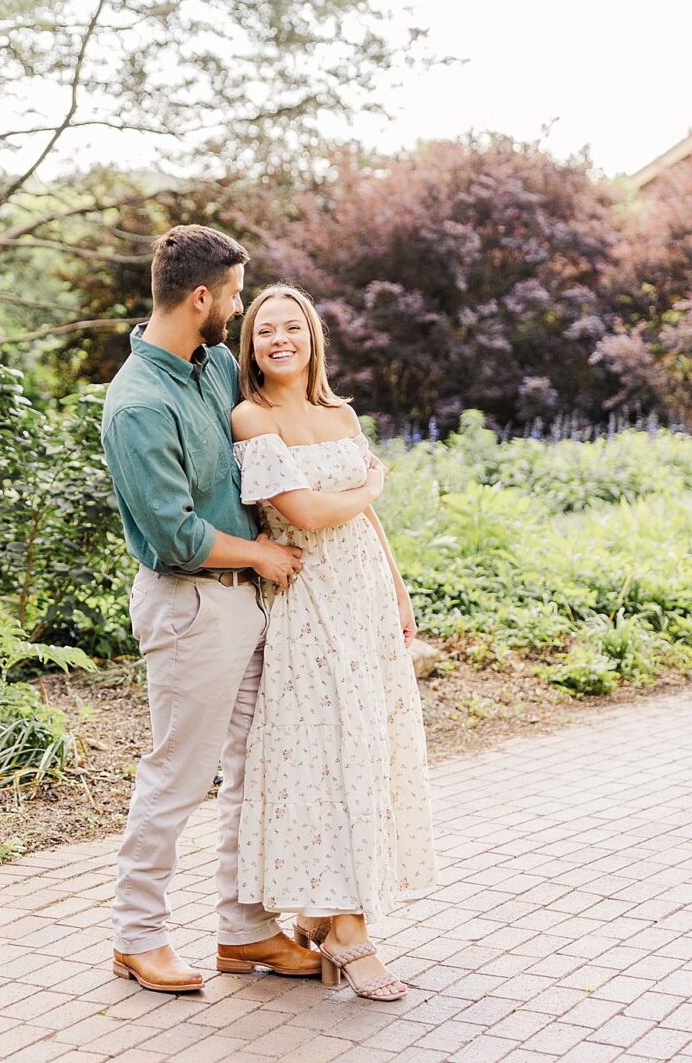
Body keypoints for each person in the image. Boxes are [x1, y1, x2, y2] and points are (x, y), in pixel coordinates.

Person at [101, 227, 320, 994]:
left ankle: (244, 931)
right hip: (191, 606)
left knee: (255, 771)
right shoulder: (138, 402)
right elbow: (173, 534)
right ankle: (137, 937)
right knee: (179, 776)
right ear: (202, 298)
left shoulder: (215, 365)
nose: (239, 307)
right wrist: (260, 554)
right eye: (233, 295)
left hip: (251, 605)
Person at [232, 283, 439, 1002]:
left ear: (313, 337)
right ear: (251, 346)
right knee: (327, 754)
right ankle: (346, 930)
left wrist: (398, 586)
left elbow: (363, 525)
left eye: (292, 327)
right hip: (310, 604)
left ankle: (327, 913)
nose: (279, 339)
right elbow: (307, 512)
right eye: (265, 331)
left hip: (367, 602)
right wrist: (372, 487)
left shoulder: (338, 411)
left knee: (370, 751)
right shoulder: (251, 415)